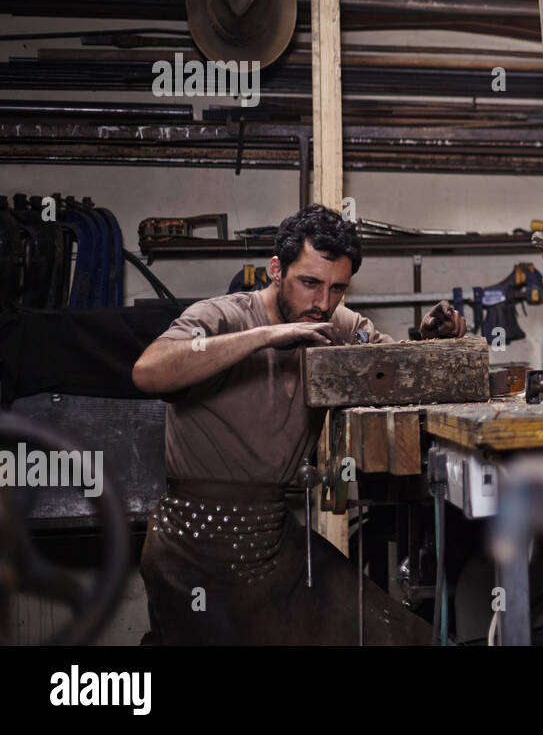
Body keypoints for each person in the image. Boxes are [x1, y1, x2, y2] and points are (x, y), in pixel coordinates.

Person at [131, 204, 466, 644]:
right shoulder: (219, 317)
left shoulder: (335, 324)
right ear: (275, 269)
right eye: (310, 283)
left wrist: (432, 342)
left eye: (337, 289)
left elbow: (393, 365)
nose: (323, 303)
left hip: (276, 543)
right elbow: (148, 370)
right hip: (193, 545)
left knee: (399, 637)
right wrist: (266, 337)